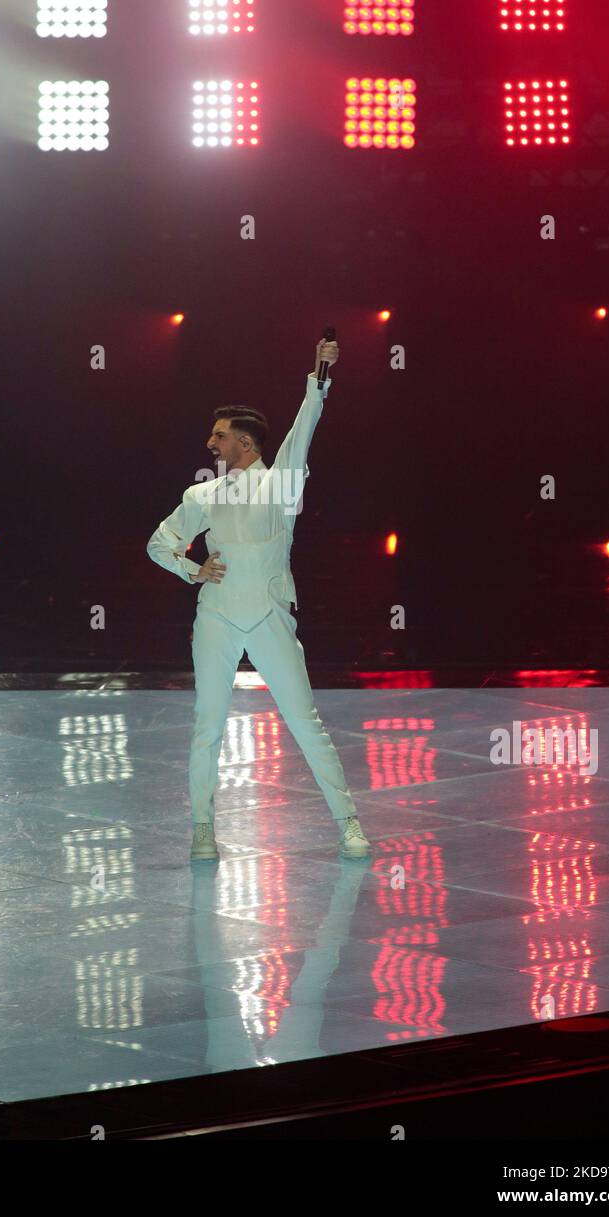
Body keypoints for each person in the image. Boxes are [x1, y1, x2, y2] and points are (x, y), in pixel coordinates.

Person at [147, 337, 371, 862]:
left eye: (220, 436)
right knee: (209, 722)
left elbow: (306, 425)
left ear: (245, 444)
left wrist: (320, 370)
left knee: (304, 721)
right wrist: (191, 568)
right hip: (218, 617)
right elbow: (160, 543)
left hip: (270, 615)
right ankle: (204, 826)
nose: (211, 443)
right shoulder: (203, 495)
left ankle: (348, 822)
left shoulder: (283, 484)